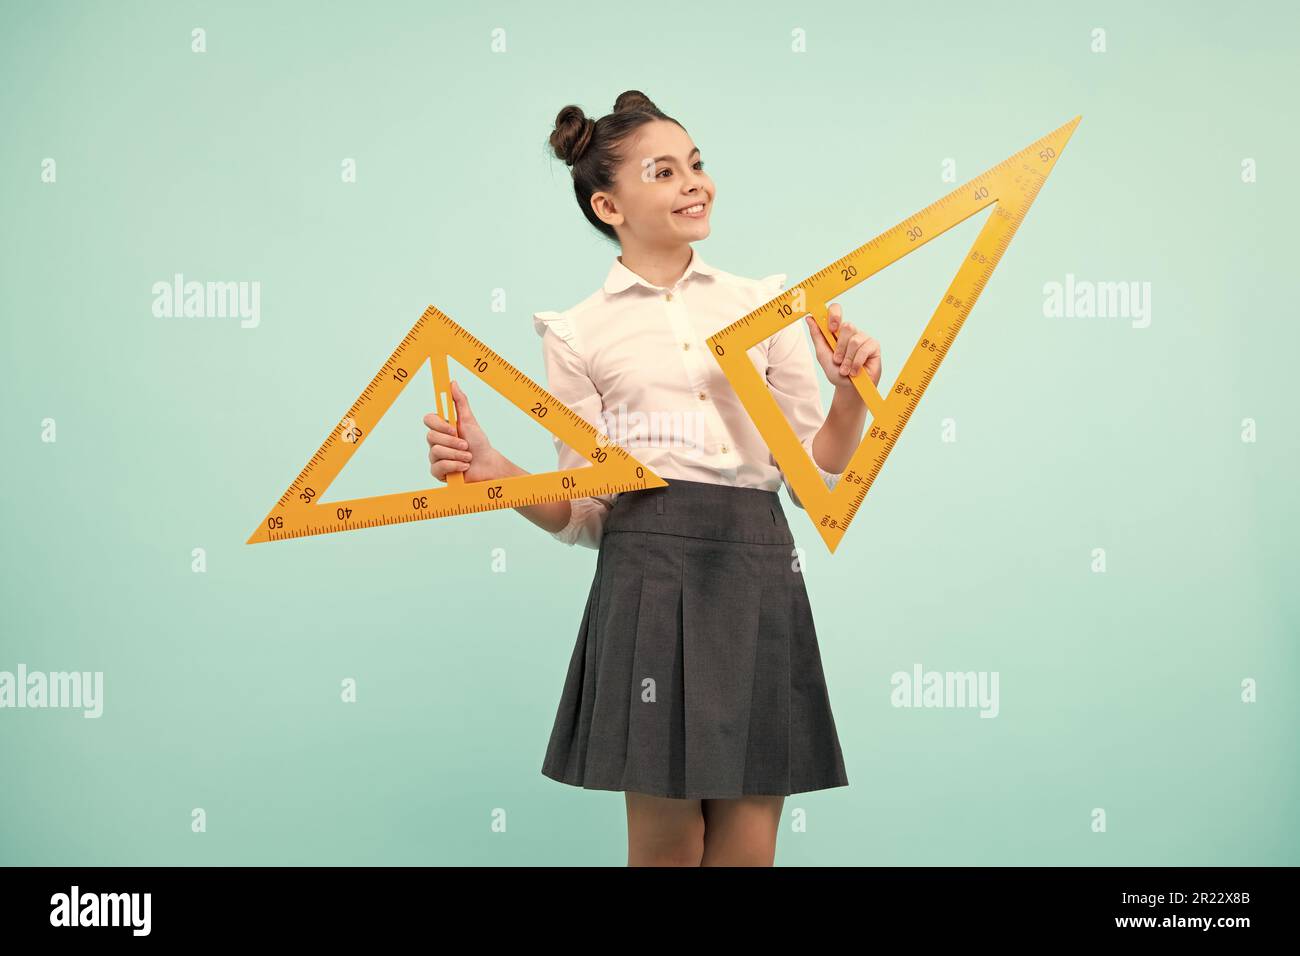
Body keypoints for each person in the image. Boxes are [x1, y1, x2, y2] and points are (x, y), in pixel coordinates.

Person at [423, 91, 881, 866]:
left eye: (696, 163)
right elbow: (586, 511)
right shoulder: (576, 331)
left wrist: (849, 392)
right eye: (663, 171)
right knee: (668, 841)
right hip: (647, 568)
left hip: (756, 561)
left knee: (747, 837)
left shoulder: (764, 304)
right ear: (609, 204)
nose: (693, 183)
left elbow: (817, 474)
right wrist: (496, 472)